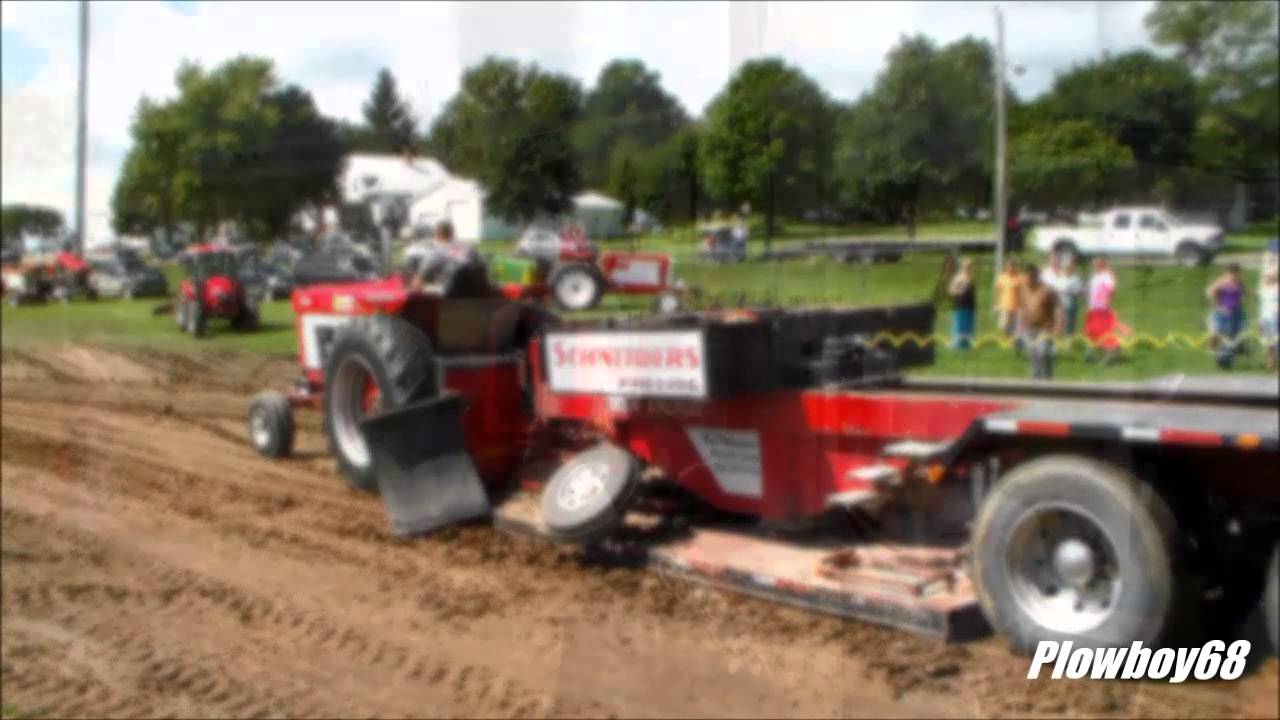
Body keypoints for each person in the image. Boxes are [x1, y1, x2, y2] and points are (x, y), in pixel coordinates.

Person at [408, 220, 486, 293]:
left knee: (420, 287)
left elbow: (417, 283)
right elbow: (483, 270)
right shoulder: (470, 249)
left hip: (448, 296)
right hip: (475, 294)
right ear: (452, 233)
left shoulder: (435, 252)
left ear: (437, 234)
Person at [1019, 263, 1062, 380]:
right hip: (1029, 328)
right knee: (1032, 355)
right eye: (1026, 277)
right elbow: (1023, 308)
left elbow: (1057, 307)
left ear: (1036, 276)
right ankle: (1036, 381)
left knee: (1043, 353)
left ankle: (1048, 380)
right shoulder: (1023, 290)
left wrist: (1058, 325)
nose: (1028, 279)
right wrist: (1020, 327)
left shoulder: (1047, 290)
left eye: (1030, 277)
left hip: (1045, 328)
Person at [1207, 263, 1248, 369]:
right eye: (1233, 273)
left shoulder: (1239, 281)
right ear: (1228, 272)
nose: (1235, 275)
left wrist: (1243, 297)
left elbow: (1244, 291)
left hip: (1236, 312)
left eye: (1237, 273)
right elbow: (1210, 292)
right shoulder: (1222, 281)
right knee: (1217, 332)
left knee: (1233, 334)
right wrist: (1219, 306)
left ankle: (1229, 355)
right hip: (1222, 312)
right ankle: (1213, 350)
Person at [1044, 256, 1083, 337]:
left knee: (1069, 324)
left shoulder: (1075, 278)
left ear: (1072, 268)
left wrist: (1069, 291)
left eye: (1070, 267)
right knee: (1058, 323)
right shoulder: (1060, 277)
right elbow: (1054, 288)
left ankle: (1069, 340)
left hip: (1070, 304)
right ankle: (1056, 340)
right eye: (1066, 267)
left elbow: (1080, 292)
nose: (1067, 268)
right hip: (1058, 304)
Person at [947, 258, 977, 350]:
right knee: (959, 324)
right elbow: (950, 290)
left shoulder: (971, 277)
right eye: (966, 266)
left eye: (970, 266)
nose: (968, 268)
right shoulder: (959, 277)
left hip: (970, 306)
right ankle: (956, 345)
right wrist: (960, 291)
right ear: (963, 267)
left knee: (969, 325)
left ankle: (967, 345)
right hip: (960, 305)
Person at [993, 258, 1023, 340]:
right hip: (1005, 305)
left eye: (1012, 266)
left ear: (1015, 267)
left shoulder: (1020, 277)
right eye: (1009, 266)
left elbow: (1024, 291)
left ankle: (1014, 341)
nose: (1011, 268)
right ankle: (1006, 339)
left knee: (1016, 326)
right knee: (1004, 325)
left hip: (1017, 306)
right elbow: (997, 291)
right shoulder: (1002, 277)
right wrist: (995, 303)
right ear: (1006, 267)